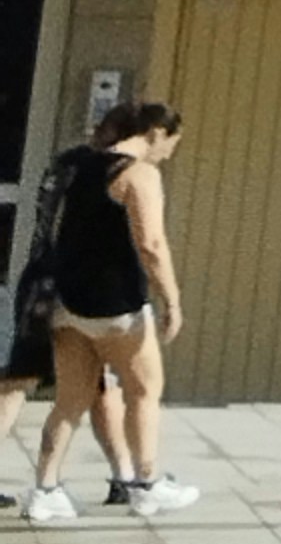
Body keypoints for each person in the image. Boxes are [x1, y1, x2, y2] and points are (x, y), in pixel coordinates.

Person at [30, 100, 186, 516]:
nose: (168, 153)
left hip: (67, 300)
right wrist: (171, 299)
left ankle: (45, 491)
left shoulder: (81, 167)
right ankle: (146, 482)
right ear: (156, 133)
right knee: (143, 391)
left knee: (69, 401)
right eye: (171, 143)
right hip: (116, 305)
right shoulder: (139, 174)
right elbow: (151, 244)